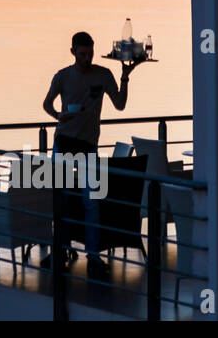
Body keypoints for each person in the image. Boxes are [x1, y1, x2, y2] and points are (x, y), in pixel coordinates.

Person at [39, 31, 144, 278]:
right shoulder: (63, 76)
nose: (86, 58)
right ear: (73, 52)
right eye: (82, 54)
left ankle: (93, 255)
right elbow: (47, 104)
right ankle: (60, 250)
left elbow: (119, 104)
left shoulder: (103, 75)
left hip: (88, 145)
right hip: (64, 141)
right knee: (62, 199)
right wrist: (58, 116)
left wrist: (125, 78)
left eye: (90, 53)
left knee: (91, 201)